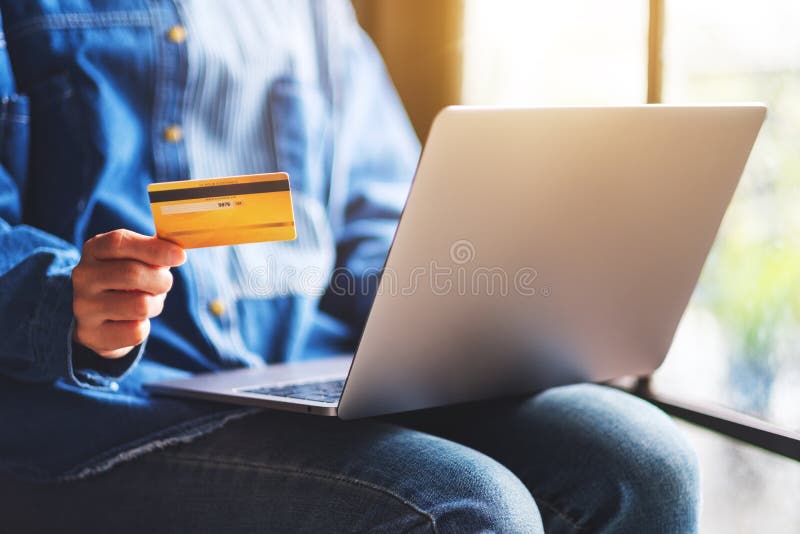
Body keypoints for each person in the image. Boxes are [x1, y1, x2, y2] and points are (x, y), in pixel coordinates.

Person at [0, 1, 699, 532]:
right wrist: (65, 299)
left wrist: (488, 297)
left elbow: (378, 213)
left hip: (298, 369)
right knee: (466, 508)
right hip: (102, 408)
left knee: (642, 462)